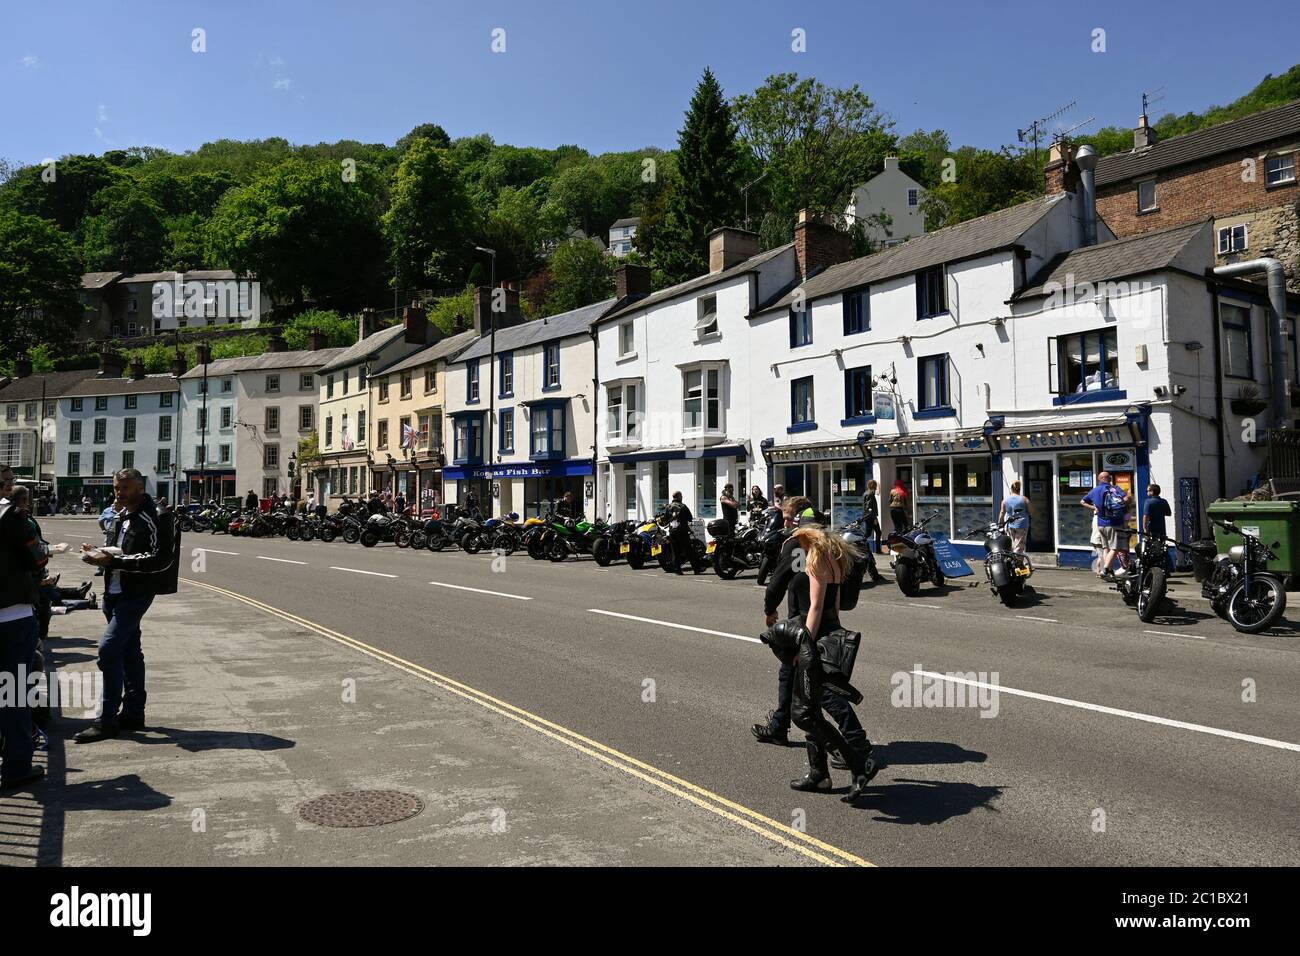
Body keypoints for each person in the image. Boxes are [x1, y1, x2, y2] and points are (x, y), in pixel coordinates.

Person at [757, 520, 877, 799]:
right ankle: (820, 774)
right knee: (811, 704)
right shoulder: (834, 561)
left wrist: (805, 645)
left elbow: (816, 607)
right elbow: (835, 607)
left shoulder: (816, 561)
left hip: (814, 640)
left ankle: (857, 759)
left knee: (806, 710)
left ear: (808, 541)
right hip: (827, 633)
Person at [76, 468, 179, 743]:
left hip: (136, 593)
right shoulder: (120, 515)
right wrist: (98, 552)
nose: (119, 493)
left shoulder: (157, 516)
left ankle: (105, 719)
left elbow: (161, 559)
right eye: (116, 487)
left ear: (140, 488)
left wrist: (115, 561)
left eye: (125, 488)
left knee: (108, 650)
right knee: (131, 651)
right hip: (113, 591)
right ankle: (134, 713)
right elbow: (119, 548)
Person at [0, 482, 49, 790]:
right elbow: (39, 558)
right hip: (11, 615)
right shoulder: (10, 516)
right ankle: (16, 765)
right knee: (13, 692)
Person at [1082, 471, 1131, 578]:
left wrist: (1094, 508)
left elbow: (1082, 501)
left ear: (1100, 479)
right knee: (1115, 547)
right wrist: (1127, 502)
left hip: (1100, 523)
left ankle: (1108, 570)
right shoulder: (1114, 488)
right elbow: (1126, 499)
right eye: (1109, 477)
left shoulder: (1094, 490)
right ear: (1108, 478)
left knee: (1106, 548)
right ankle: (1105, 569)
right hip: (1113, 523)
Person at [664, 491, 704, 574]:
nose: (682, 497)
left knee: (675, 552)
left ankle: (677, 570)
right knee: (689, 550)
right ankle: (696, 569)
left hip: (672, 532)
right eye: (681, 496)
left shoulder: (668, 507)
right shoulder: (683, 506)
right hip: (682, 532)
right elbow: (690, 518)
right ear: (679, 497)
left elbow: (666, 519)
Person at [1144, 484, 1173, 567]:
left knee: (1152, 549)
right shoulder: (1163, 501)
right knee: (1161, 548)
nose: (1147, 492)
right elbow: (1169, 513)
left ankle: (1155, 567)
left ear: (1152, 492)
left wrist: (1145, 527)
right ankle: (1165, 568)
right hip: (1162, 528)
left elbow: (1146, 516)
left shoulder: (1148, 502)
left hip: (1152, 528)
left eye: (1148, 490)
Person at [999, 481, 1031, 554]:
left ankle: (1011, 559)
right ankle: (1017, 562)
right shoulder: (1024, 499)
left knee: (1011, 544)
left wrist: (1001, 524)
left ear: (1011, 489)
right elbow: (1032, 512)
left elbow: (1002, 513)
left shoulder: (1005, 500)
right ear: (1019, 489)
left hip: (1009, 525)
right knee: (1019, 545)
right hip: (1022, 525)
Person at [862, 479, 883, 553]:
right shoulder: (870, 494)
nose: (876, 487)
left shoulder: (866, 493)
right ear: (873, 486)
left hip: (868, 516)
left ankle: (877, 550)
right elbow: (869, 507)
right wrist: (874, 518)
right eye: (875, 485)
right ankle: (861, 545)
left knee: (874, 532)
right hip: (870, 517)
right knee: (871, 533)